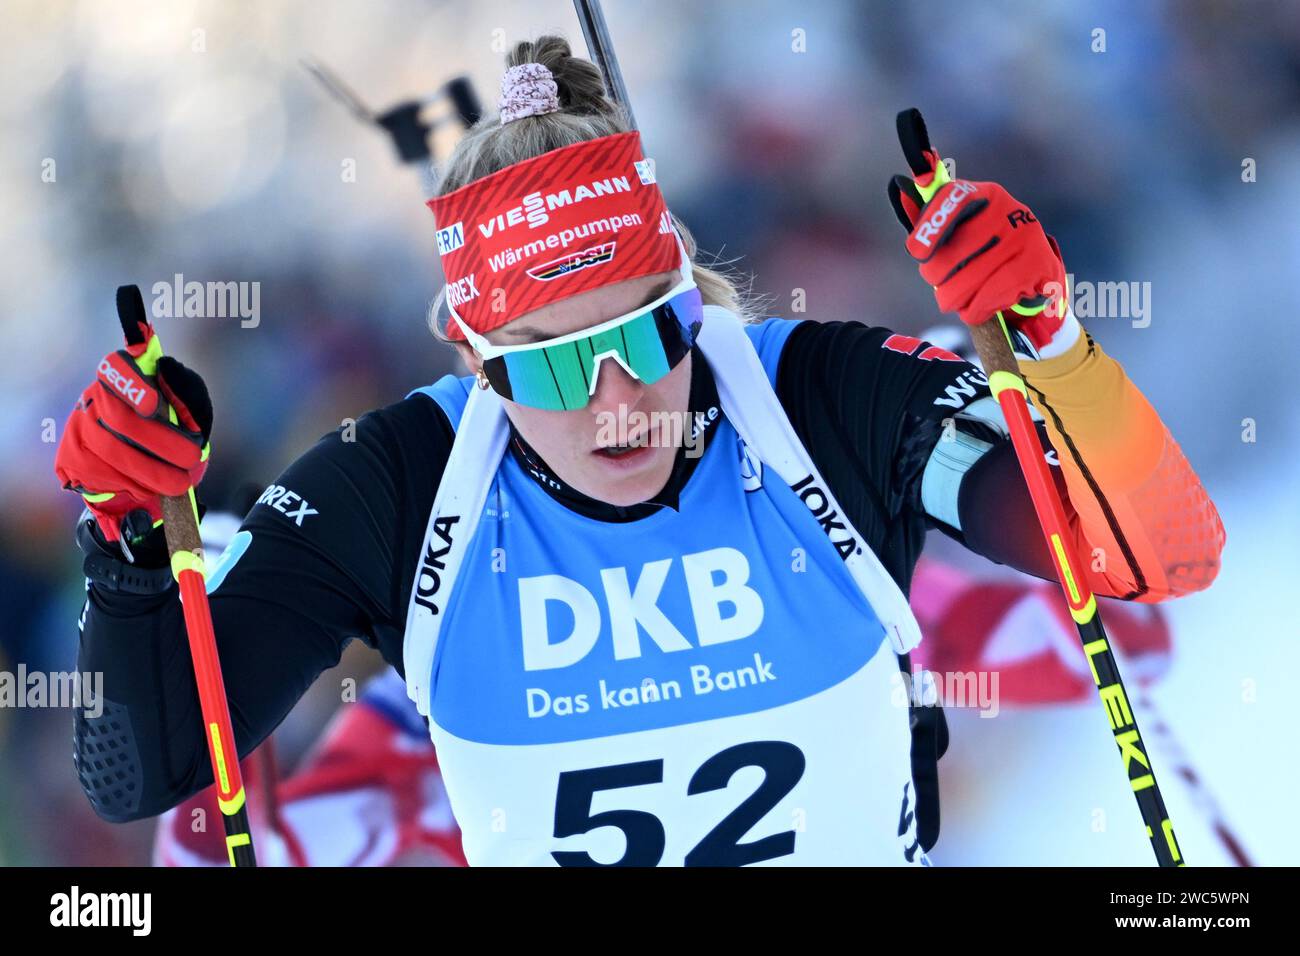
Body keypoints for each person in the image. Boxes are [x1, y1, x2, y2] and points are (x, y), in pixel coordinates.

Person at [57, 35, 1224, 866]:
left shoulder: (820, 397)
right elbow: (142, 771)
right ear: (474, 361)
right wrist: (120, 539)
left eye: (649, 334)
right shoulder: (396, 483)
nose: (615, 396)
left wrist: (1053, 347)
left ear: (691, 298)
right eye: (554, 365)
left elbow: (1156, 556)